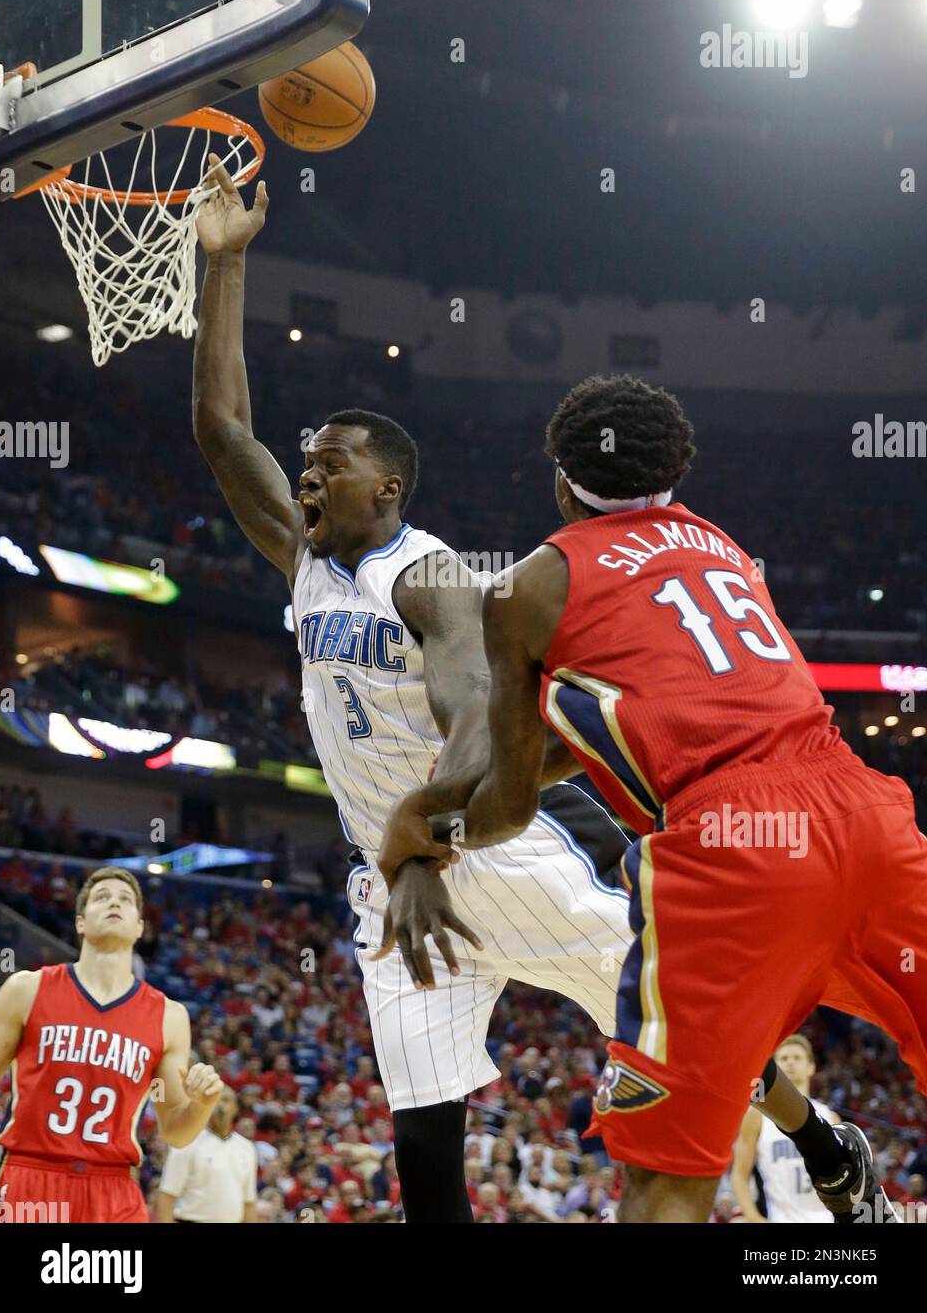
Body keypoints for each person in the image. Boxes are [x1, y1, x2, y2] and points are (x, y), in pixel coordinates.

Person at [189, 162, 838, 1224]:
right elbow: (224, 432)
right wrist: (227, 265)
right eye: (306, 461)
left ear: (386, 488)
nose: (307, 471)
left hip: (491, 847)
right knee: (422, 1130)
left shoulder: (434, 574)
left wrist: (423, 845)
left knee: (686, 1022)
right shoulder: (305, 560)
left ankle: (816, 1131)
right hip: (393, 879)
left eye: (330, 463)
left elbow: (468, 709)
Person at [379, 373, 920, 1223]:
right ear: (675, 474)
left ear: (561, 482)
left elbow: (510, 806)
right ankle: (832, 1153)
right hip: (869, 816)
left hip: (733, 851)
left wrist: (422, 831)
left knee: (668, 1179)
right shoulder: (722, 544)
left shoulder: (529, 587)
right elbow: (650, 722)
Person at [0, 867, 224, 1223]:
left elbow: (174, 1129)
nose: (114, 901)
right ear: (81, 923)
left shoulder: (168, 1017)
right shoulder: (27, 989)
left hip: (114, 1189)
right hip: (34, 1178)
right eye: (102, 897)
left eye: (125, 899)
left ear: (139, 928)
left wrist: (203, 1104)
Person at [732, 1035, 838, 1223]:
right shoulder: (757, 1116)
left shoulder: (829, 1116)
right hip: (781, 1219)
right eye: (783, 1058)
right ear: (775, 1070)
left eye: (797, 1058)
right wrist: (752, 1216)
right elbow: (740, 1174)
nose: (790, 1062)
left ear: (811, 1067)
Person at [157, 1085, 258, 1223]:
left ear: (235, 1108)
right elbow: (167, 1195)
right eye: (214, 1100)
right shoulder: (186, 1142)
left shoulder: (247, 1148)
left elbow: (249, 1202)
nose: (220, 1105)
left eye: (226, 1100)